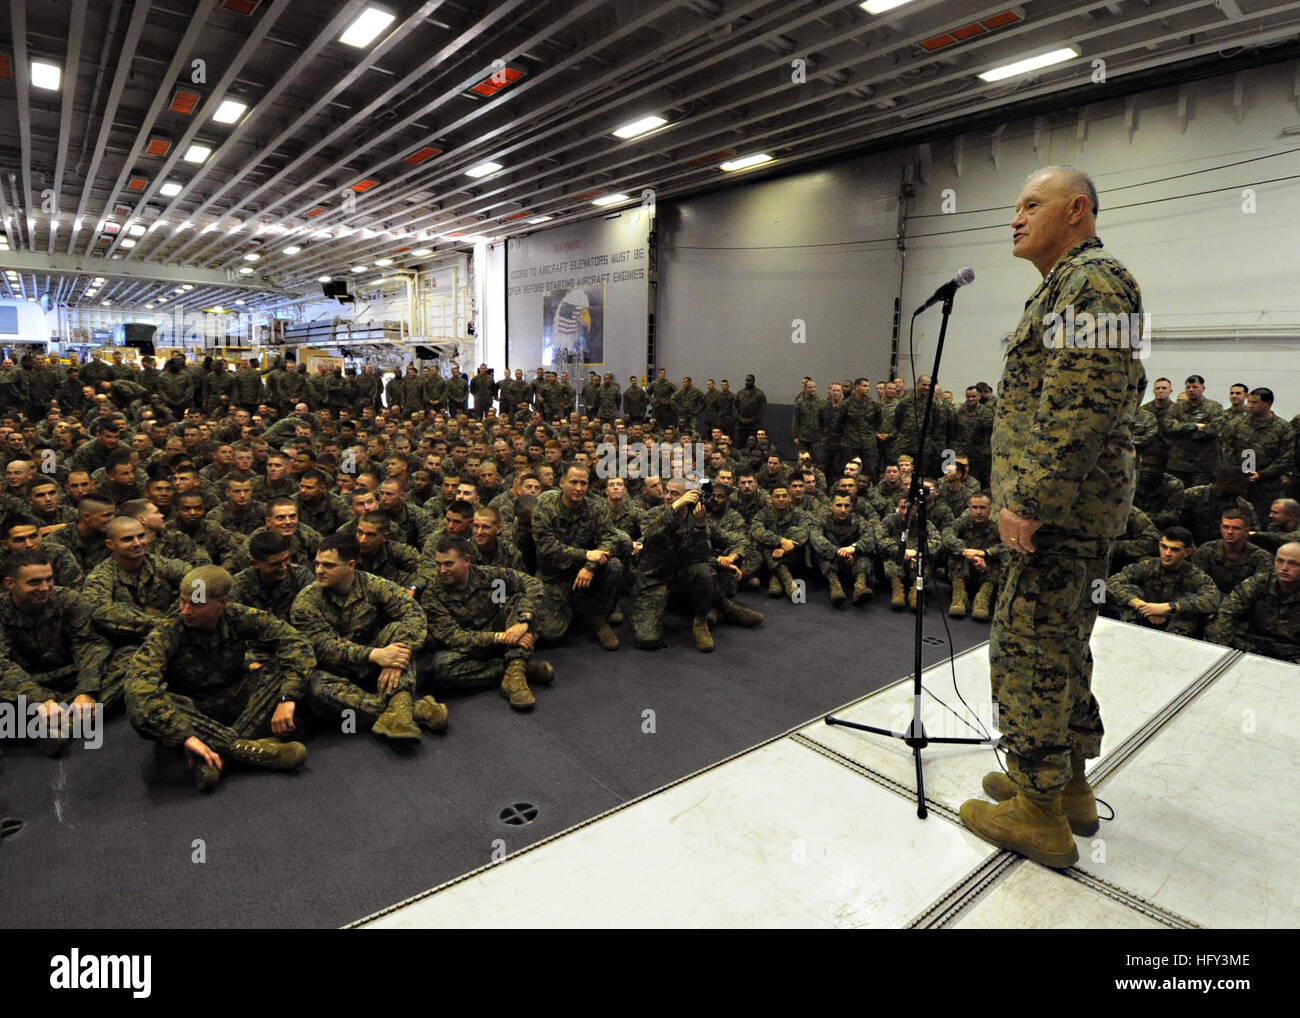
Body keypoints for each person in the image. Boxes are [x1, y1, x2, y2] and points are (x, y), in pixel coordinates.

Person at [961, 165, 1147, 870]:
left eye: (1030, 205)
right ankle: (1064, 786)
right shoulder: (1069, 284)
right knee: (1061, 644)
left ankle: (1037, 813)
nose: (1015, 218)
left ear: (1076, 210)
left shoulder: (1092, 282)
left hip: (1058, 515)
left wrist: (1029, 501)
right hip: (1073, 512)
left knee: (1031, 645)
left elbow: (1081, 407)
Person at [125, 566, 313, 790]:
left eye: (197, 604)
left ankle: (219, 757)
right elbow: (138, 685)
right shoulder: (167, 631)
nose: (186, 611)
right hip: (194, 711)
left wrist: (287, 698)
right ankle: (242, 748)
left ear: (221, 603)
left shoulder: (239, 616)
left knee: (277, 669)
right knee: (146, 702)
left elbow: (296, 643)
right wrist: (185, 735)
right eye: (182, 602)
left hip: (235, 698)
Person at [291, 533, 443, 742]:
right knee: (315, 686)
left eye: (328, 565)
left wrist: (395, 658)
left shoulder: (374, 585)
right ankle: (410, 711)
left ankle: (399, 709)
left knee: (399, 631)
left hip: (377, 666)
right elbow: (324, 647)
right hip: (336, 669)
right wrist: (374, 655)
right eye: (317, 564)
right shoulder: (306, 602)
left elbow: (413, 612)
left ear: (351, 565)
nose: (319, 571)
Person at [418, 536, 552, 710]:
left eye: (448, 564)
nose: (442, 570)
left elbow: (533, 584)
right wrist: (501, 637)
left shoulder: (490, 575)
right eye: (438, 564)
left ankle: (516, 674)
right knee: (439, 671)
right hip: (468, 649)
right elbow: (452, 637)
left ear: (467, 561)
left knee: (520, 602)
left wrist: (523, 622)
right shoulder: (431, 594)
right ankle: (519, 668)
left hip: (504, 634)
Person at [0, 550, 112, 756]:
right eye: (34, 582)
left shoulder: (67, 599)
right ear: (10, 583)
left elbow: (88, 643)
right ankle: (66, 718)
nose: (44, 588)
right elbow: (2, 665)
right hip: (23, 684)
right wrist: (39, 699)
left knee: (128, 661)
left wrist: (86, 690)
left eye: (49, 579)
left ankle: (55, 726)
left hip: (68, 676)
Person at [530, 464, 624, 650]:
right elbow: (546, 547)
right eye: (574, 482)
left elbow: (611, 538)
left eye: (583, 483)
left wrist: (590, 566)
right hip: (553, 574)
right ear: (562, 482)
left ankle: (600, 618)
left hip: (585, 569)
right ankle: (568, 605)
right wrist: (587, 554)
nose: (579, 488)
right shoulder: (544, 506)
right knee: (550, 635)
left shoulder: (596, 507)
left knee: (614, 566)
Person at [1105, 527, 1221, 636]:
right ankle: (1130, 635)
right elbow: (1112, 582)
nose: (1167, 553)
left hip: (1174, 622)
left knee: (1189, 608)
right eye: (1164, 547)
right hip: (1144, 614)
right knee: (1129, 592)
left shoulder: (1194, 574)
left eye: (1174, 549)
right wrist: (1141, 605)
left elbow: (1213, 599)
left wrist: (1169, 607)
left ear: (1187, 552)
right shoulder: (1148, 565)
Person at [1205, 542, 1300, 662]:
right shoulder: (1260, 582)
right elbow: (1228, 611)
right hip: (1252, 644)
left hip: (1291, 653)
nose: (1284, 568)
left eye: (1293, 563)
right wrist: (1218, 651)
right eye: (1280, 561)